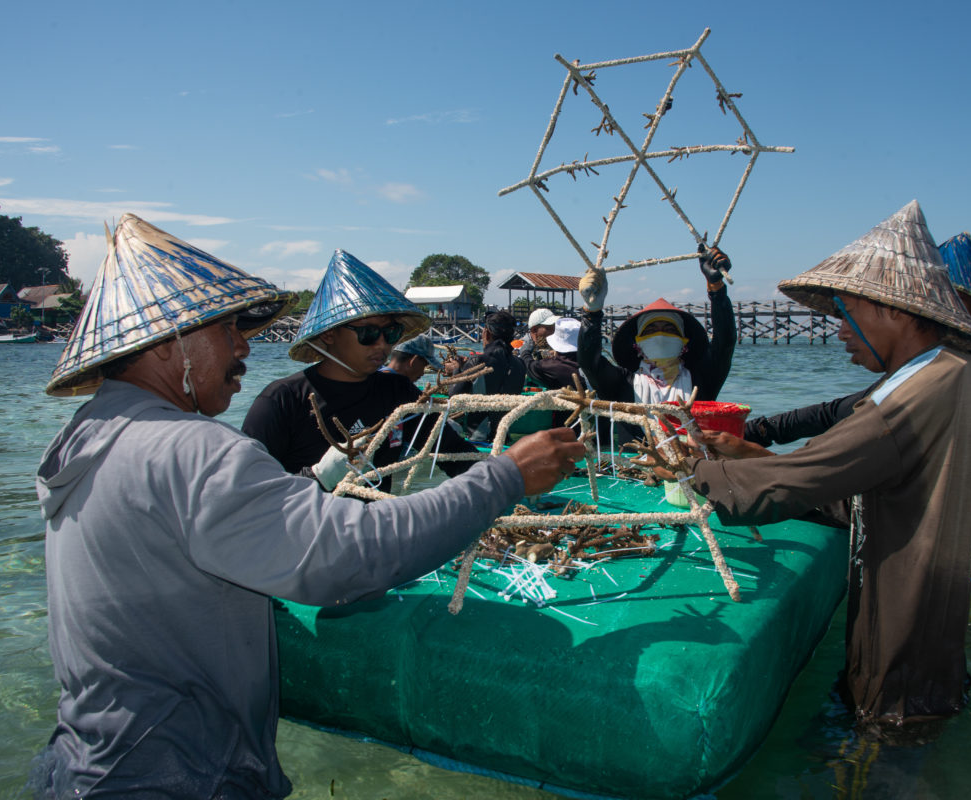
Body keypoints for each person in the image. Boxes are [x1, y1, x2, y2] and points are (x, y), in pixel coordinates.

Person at [33, 214, 585, 799]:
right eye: (228, 329)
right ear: (173, 344)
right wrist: (503, 477)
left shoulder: (88, 437)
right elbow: (346, 553)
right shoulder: (195, 449)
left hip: (86, 761)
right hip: (173, 777)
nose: (246, 345)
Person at [673, 201, 971, 726]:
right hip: (933, 653)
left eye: (846, 311)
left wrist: (692, 472)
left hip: (899, 671)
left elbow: (795, 484)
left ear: (894, 308)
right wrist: (753, 455)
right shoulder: (956, 374)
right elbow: (854, 487)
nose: (837, 328)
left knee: (875, 766)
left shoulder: (912, 396)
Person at [737, 232, 971, 583]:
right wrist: (754, 431)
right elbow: (832, 413)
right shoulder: (914, 377)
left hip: (962, 569)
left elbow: (864, 477)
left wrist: (749, 465)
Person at [243, 250, 477, 481]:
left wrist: (505, 473)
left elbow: (455, 454)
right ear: (329, 335)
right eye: (369, 333)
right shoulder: (282, 401)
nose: (382, 344)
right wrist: (316, 477)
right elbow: (247, 495)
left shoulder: (397, 391)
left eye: (391, 332)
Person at [576, 246, 736, 410]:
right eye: (650, 330)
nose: (660, 335)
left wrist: (717, 288)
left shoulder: (702, 378)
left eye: (670, 329)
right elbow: (589, 363)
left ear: (684, 342)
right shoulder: (623, 382)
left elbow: (725, 343)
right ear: (637, 344)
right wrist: (592, 312)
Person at [443, 309, 526, 438]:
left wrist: (456, 370)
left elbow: (454, 398)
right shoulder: (520, 364)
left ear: (486, 334)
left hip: (478, 437)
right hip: (504, 436)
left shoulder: (477, 362)